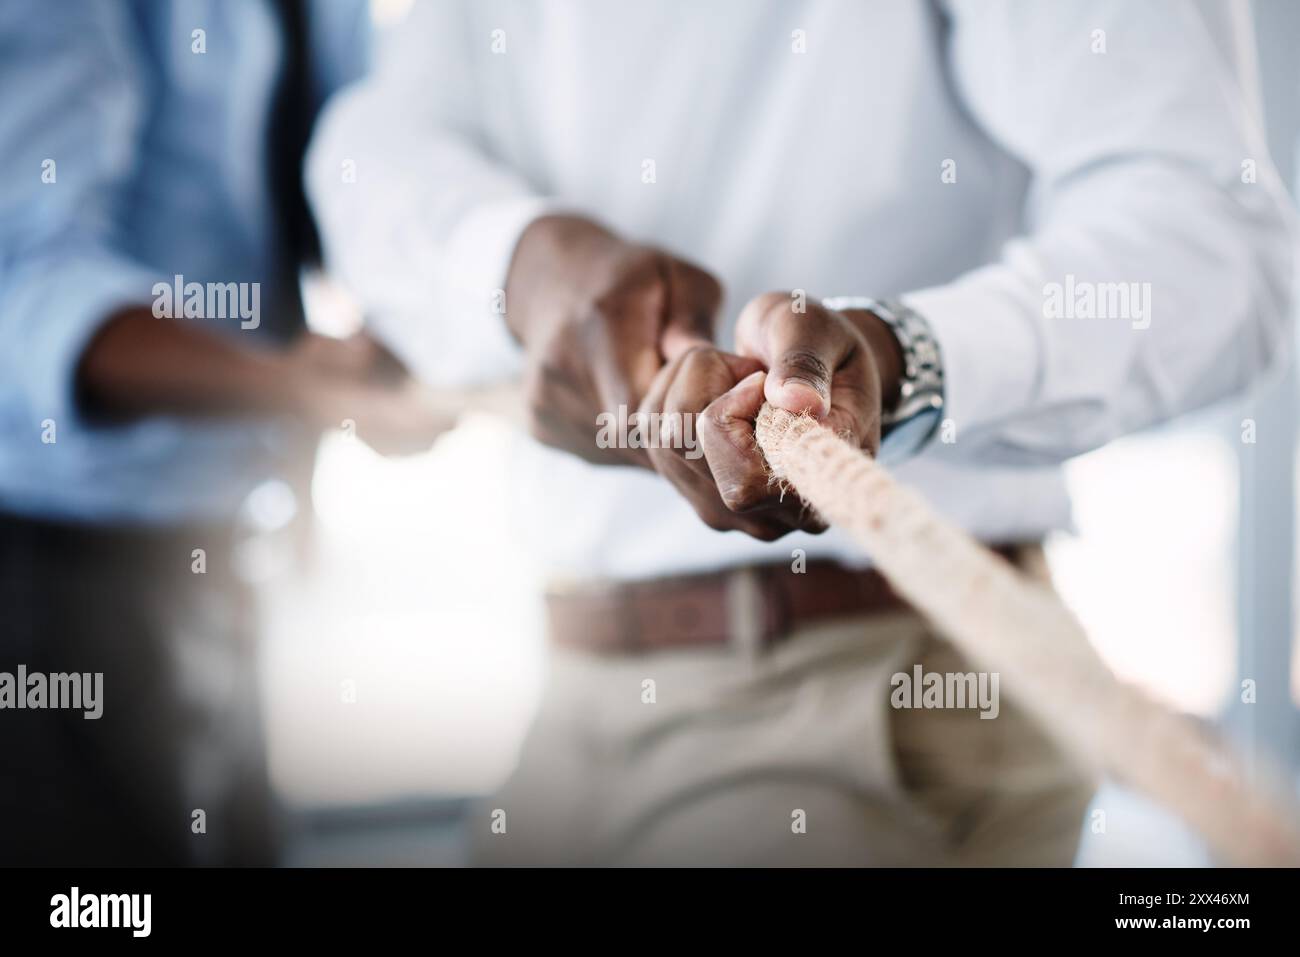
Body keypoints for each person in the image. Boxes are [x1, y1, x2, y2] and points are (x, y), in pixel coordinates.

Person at [306, 0, 1294, 865]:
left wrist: (897, 356)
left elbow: (1209, 241)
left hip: (857, 707)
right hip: (571, 691)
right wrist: (518, 263)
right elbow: (372, 149)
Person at [0, 0, 445, 866]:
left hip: (219, 547)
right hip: (58, 572)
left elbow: (359, 169)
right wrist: (286, 388)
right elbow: (24, 280)